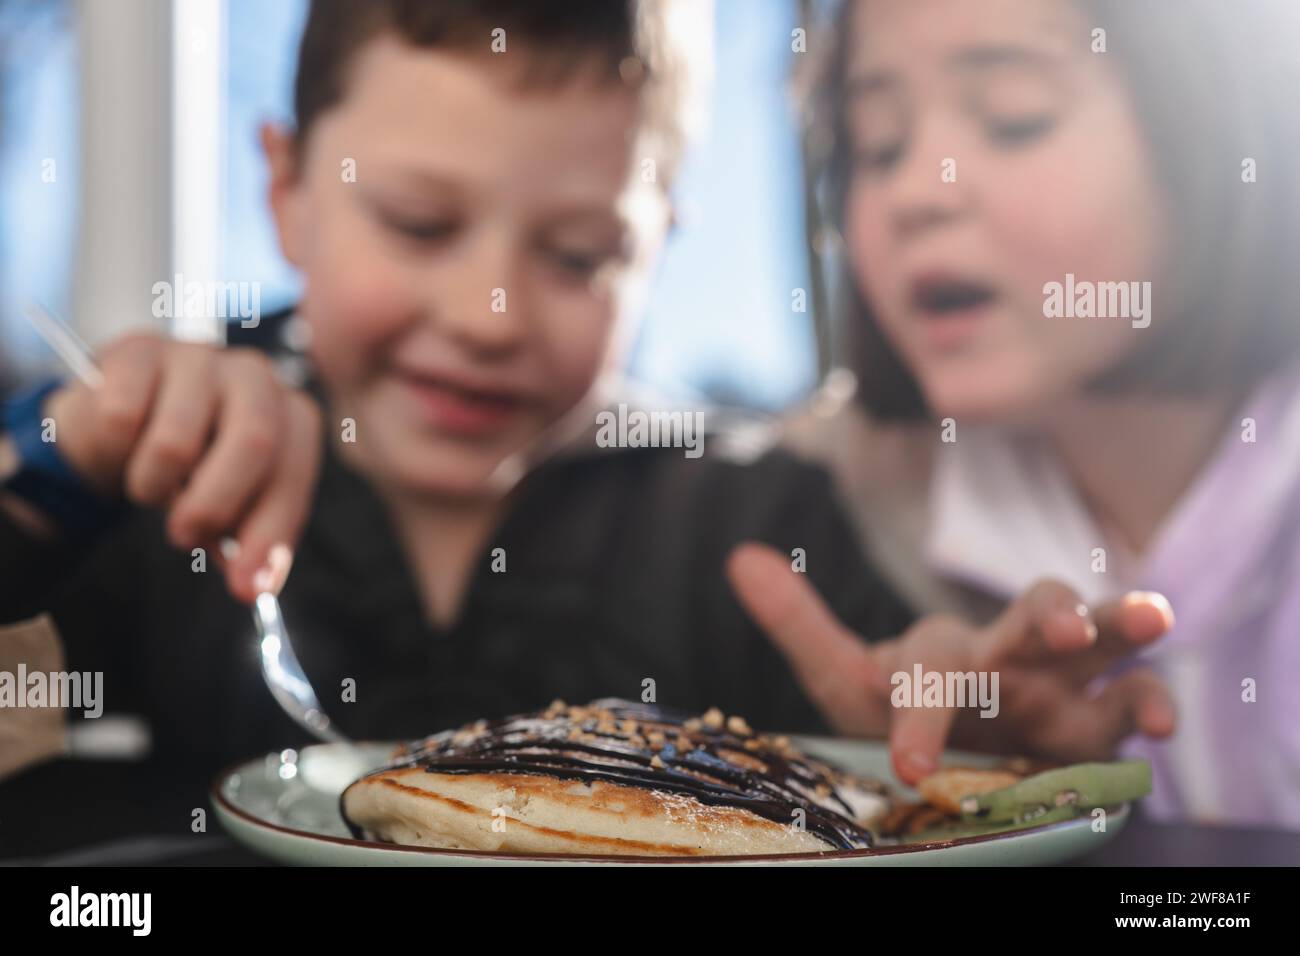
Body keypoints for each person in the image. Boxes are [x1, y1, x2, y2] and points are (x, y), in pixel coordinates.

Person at [0, 0, 1172, 857]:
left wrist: (973, 755)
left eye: (578, 255)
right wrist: (56, 461)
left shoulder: (752, 515)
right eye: (416, 222)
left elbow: (903, 748)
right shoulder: (171, 469)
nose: (486, 317)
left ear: (661, 241)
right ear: (285, 188)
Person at [743, 0, 1300, 828]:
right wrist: (974, 795)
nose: (912, 195)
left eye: (1014, 119)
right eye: (877, 144)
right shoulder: (845, 494)